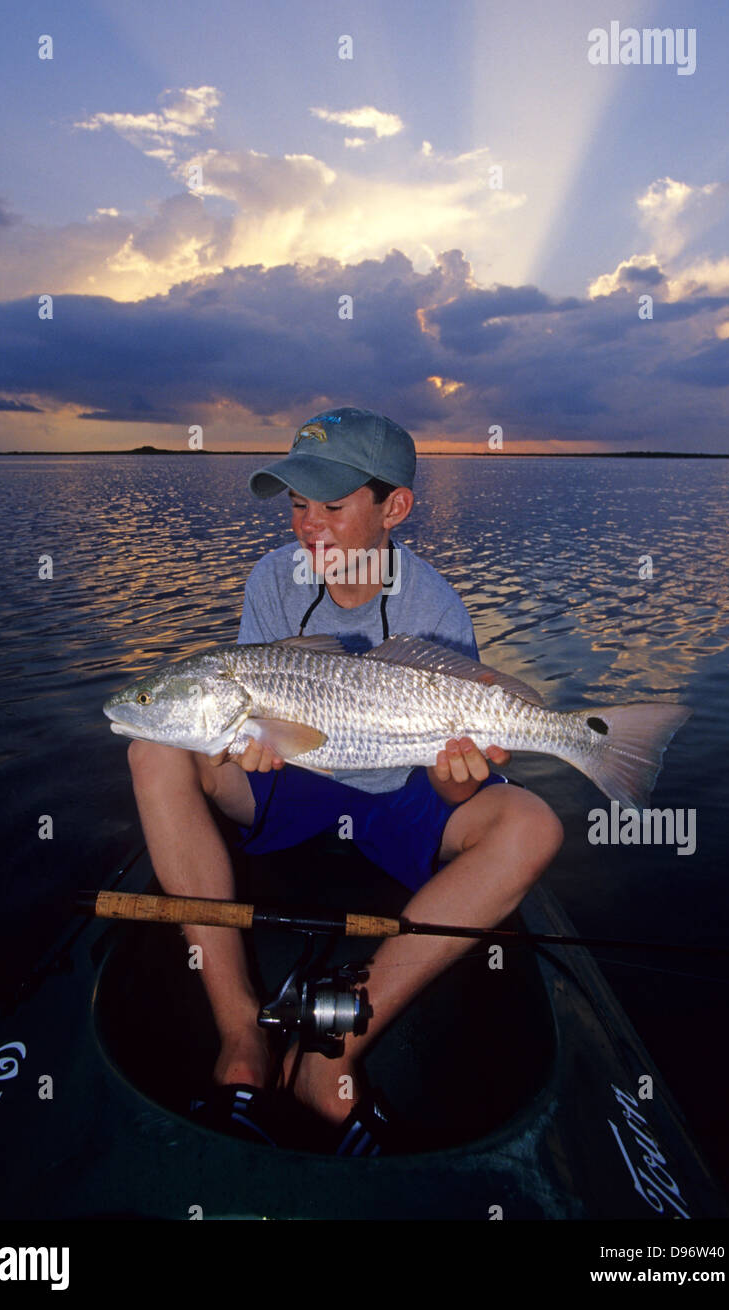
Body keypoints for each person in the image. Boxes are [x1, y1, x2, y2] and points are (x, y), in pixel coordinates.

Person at [128, 406, 563, 1153]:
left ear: (394, 507)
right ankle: (241, 1036)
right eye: (298, 505)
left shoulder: (434, 606)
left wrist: (459, 777)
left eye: (332, 506)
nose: (309, 524)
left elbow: (453, 783)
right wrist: (242, 748)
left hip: (396, 788)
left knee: (533, 825)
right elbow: (251, 713)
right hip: (296, 778)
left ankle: (335, 1051)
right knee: (150, 747)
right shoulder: (270, 579)